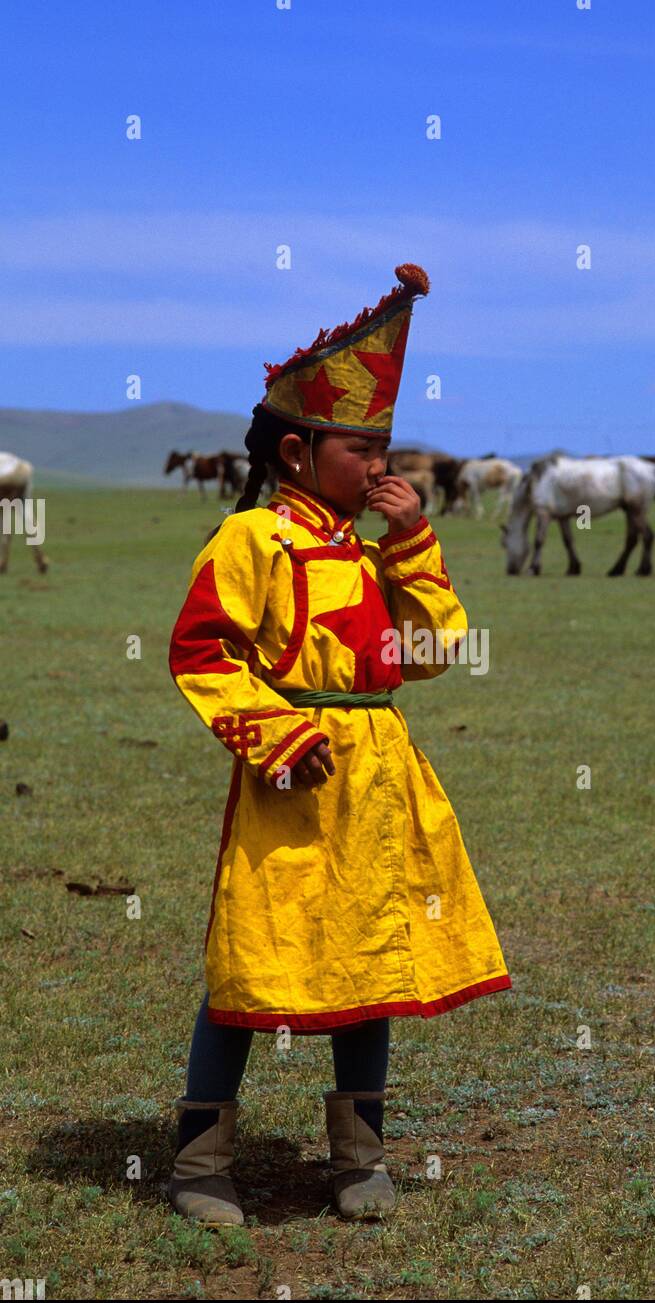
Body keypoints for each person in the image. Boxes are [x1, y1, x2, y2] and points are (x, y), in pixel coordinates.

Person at [165, 263, 512, 1224]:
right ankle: (199, 1166)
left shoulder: (371, 555)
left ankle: (360, 1157)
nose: (381, 469)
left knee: (371, 964)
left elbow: (435, 651)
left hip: (379, 779)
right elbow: (199, 652)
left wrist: (411, 547)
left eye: (385, 449)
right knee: (250, 958)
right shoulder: (248, 544)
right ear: (296, 452)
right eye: (363, 450)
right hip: (290, 776)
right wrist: (276, 734)